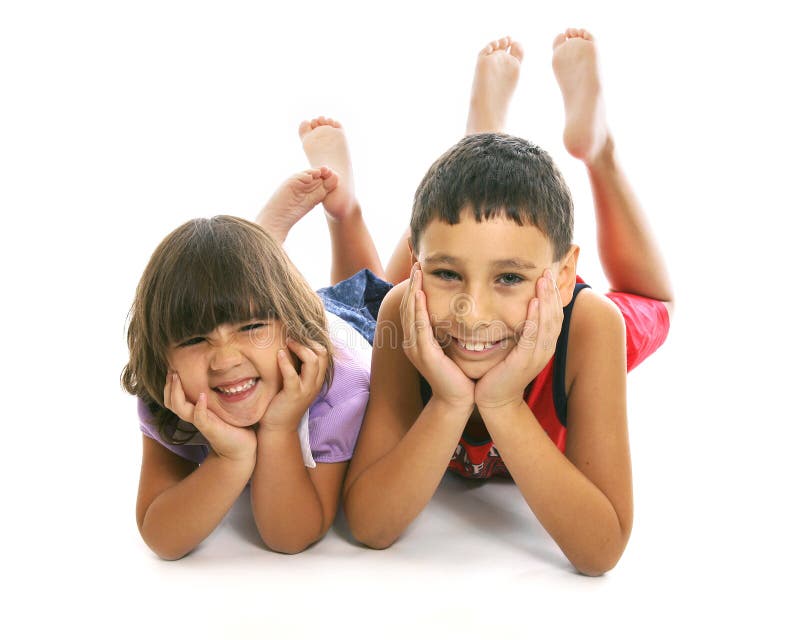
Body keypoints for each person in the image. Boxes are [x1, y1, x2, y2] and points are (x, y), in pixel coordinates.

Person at [342, 30, 674, 576]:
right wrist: (451, 401)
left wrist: (501, 403)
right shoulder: (405, 313)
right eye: (447, 273)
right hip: (444, 291)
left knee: (653, 303)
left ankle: (598, 152)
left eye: (509, 278)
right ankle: (480, 138)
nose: (474, 309)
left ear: (564, 275)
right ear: (417, 265)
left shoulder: (590, 327)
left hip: (555, 327)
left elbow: (601, 549)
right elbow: (371, 525)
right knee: (382, 285)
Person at [122, 118, 391, 559]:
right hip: (275, 327)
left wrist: (281, 427)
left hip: (350, 331)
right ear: (162, 354)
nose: (224, 361)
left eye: (245, 329)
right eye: (194, 340)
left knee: (381, 293)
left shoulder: (337, 392)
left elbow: (293, 536)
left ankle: (343, 211)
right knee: (246, 302)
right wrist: (231, 459)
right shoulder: (167, 396)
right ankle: (258, 255)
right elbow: (161, 537)